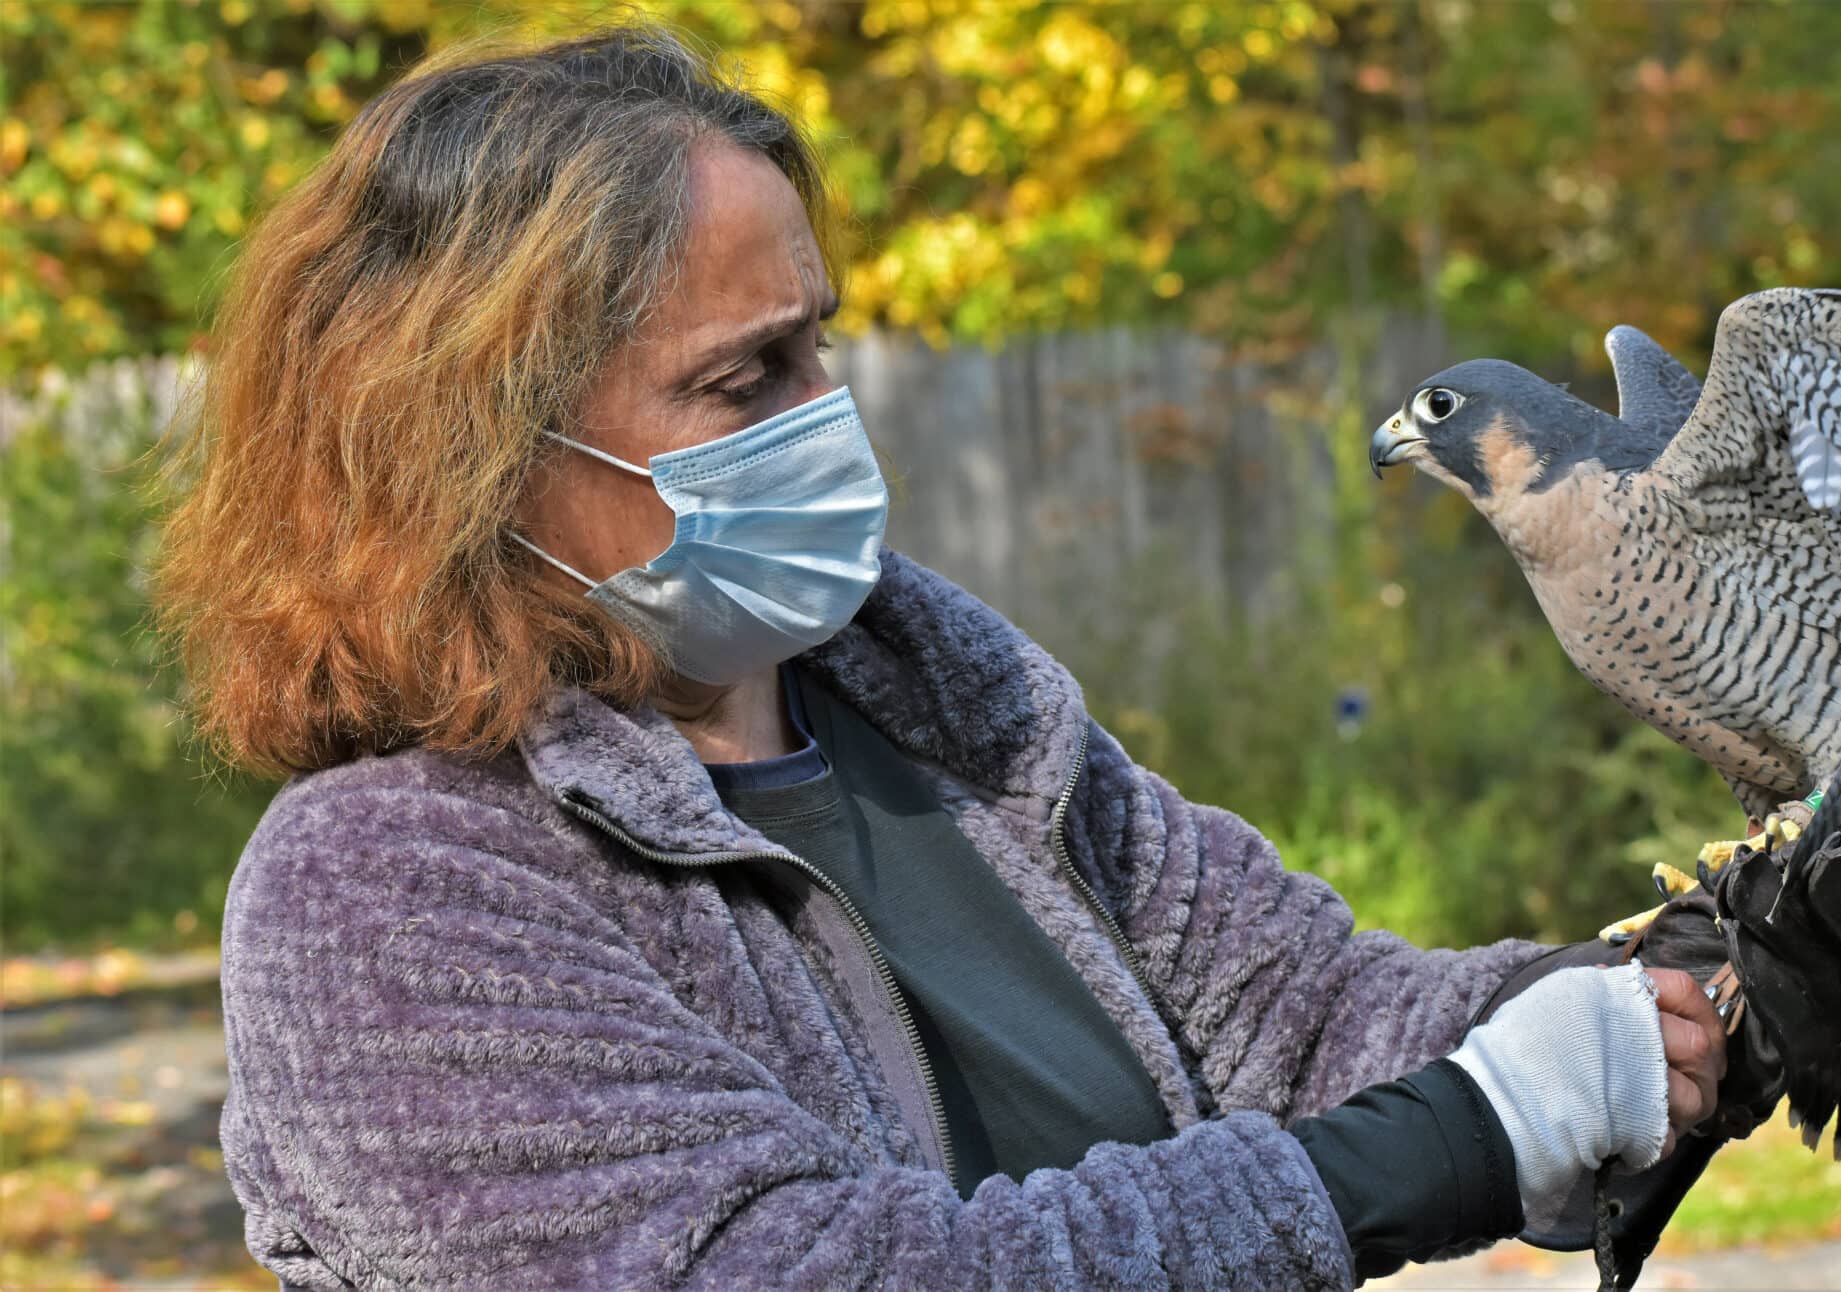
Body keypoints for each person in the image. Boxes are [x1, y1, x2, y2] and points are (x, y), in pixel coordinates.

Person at [157, 26, 1739, 1291]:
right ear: (471, 451)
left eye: (818, 341)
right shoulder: (388, 891)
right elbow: (824, 1273)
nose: (828, 415)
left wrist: (1661, 996)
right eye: (744, 375)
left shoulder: (958, 726)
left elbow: (1310, 1019)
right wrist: (1453, 1143)